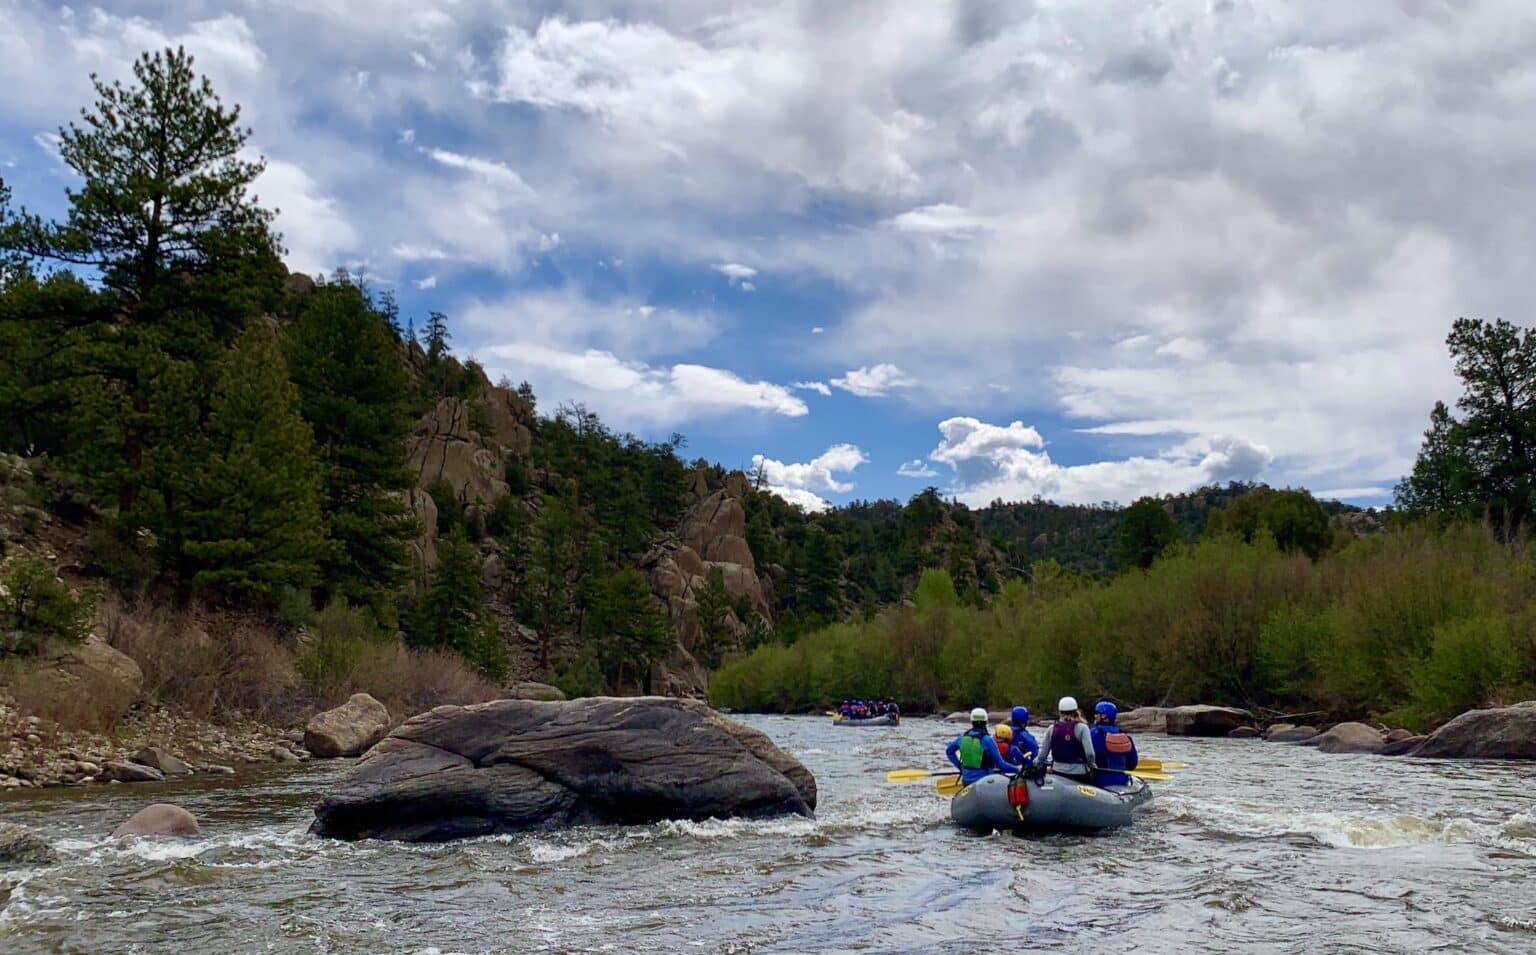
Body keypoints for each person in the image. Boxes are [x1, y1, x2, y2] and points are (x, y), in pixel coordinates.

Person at [946, 707, 1022, 785]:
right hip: (984, 782)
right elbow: (1001, 765)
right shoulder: (987, 740)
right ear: (985, 722)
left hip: (966, 781)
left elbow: (949, 751)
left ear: (972, 721)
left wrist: (960, 766)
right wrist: (1017, 769)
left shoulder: (961, 738)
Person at [1046, 696, 1097, 781]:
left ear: (1059, 712)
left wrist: (1038, 765)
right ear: (1076, 711)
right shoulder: (1083, 728)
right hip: (1080, 773)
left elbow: (1043, 755)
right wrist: (1092, 766)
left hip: (1058, 772)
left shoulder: (1051, 729)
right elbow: (1090, 754)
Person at [1090, 701, 1138, 787]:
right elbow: (1133, 763)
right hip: (1122, 781)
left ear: (1104, 716)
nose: (1095, 716)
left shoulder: (1092, 735)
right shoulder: (1126, 737)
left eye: (1097, 713)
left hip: (1100, 782)